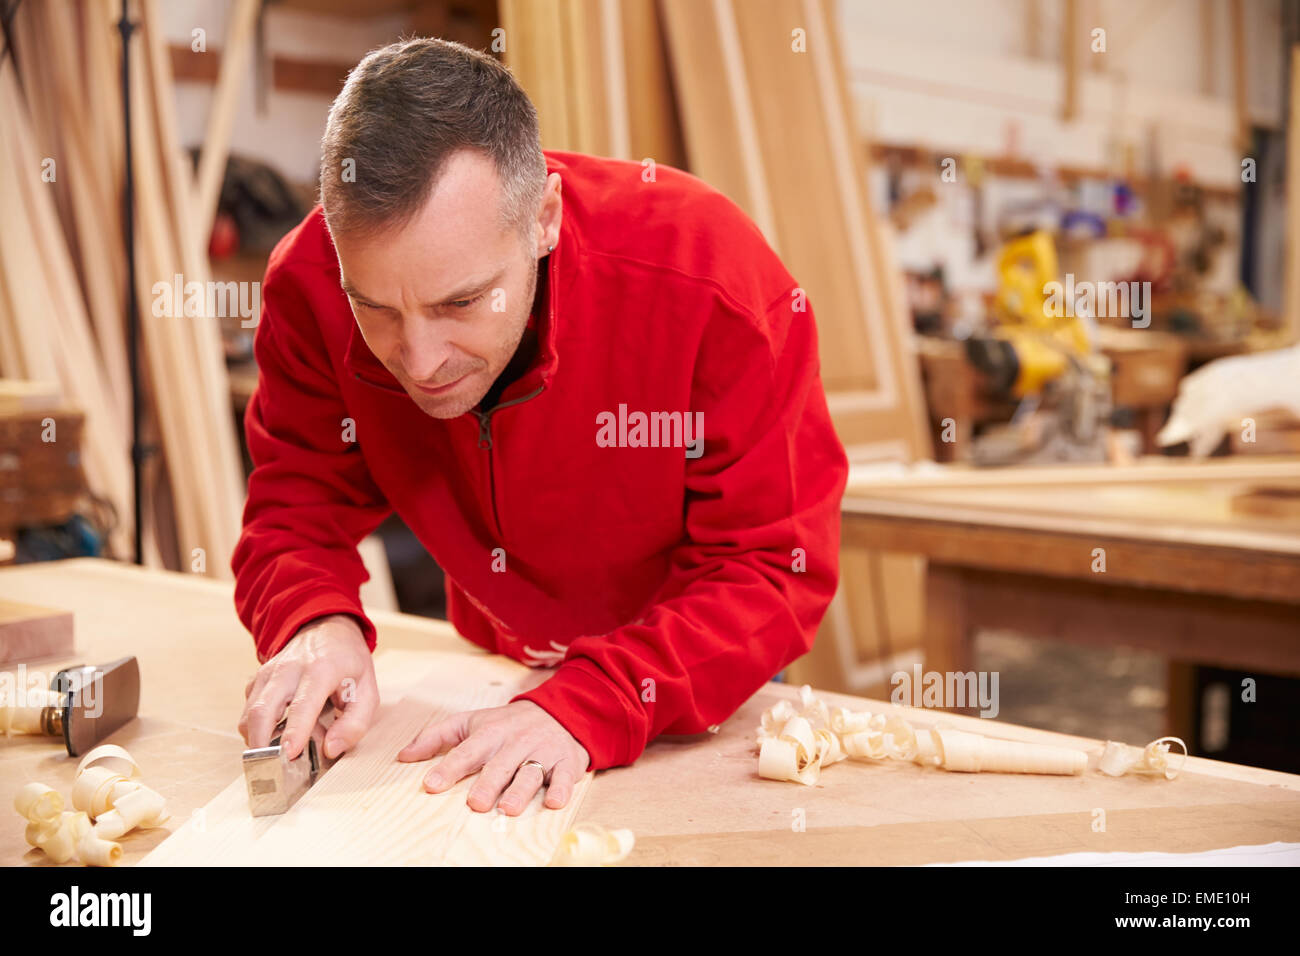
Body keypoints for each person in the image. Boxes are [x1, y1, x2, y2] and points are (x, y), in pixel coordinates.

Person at [234, 37, 848, 817]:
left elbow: (772, 566)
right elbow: (297, 501)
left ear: (545, 219)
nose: (418, 362)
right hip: (502, 674)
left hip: (697, 685)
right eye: (377, 310)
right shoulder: (311, 282)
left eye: (461, 303)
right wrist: (312, 622)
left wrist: (595, 702)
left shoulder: (711, 280)